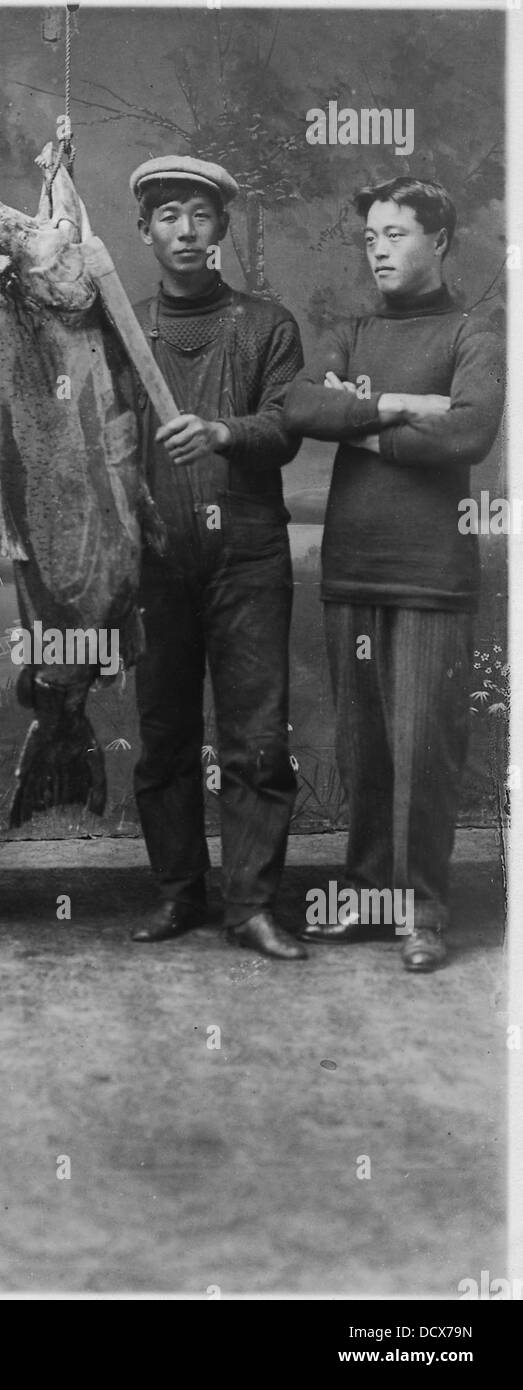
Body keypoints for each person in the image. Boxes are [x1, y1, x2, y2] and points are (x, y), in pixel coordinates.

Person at [284, 176, 505, 971]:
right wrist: (406, 407)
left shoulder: (471, 331)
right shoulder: (348, 330)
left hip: (430, 576)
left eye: (396, 234)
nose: (378, 248)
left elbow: (472, 432)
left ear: (438, 240)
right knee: (364, 751)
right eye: (370, 236)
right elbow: (300, 408)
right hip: (351, 569)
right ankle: (368, 894)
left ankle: (424, 911)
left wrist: (363, 420)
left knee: (424, 751)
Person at [128, 156, 307, 960]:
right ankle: (176, 894)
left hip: (247, 554)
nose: (185, 230)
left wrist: (221, 432)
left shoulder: (267, 325)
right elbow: (98, 439)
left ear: (222, 228)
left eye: (199, 214)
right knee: (163, 734)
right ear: (143, 232)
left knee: (256, 737)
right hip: (157, 556)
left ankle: (251, 906)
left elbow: (286, 425)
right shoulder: (123, 329)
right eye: (167, 215)